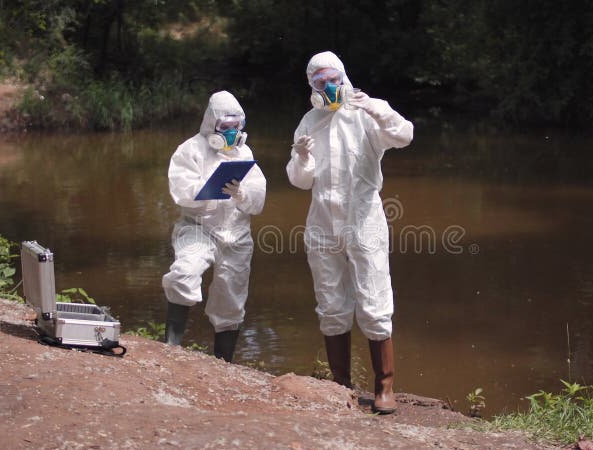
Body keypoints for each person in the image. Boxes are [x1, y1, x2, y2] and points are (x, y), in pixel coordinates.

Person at [286, 51, 414, 414]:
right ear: (311, 87)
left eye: (333, 79)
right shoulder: (309, 121)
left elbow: (404, 135)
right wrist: (301, 157)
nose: (328, 87)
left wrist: (378, 109)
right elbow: (299, 180)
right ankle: (340, 382)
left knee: (374, 297)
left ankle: (384, 386)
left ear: (345, 77)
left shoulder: (365, 113)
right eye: (319, 82)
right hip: (322, 219)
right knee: (330, 301)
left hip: (364, 216)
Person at [162, 91, 266, 363]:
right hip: (198, 228)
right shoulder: (191, 150)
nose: (231, 133)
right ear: (212, 125)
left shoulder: (244, 152)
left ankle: (223, 364)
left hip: (236, 234)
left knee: (231, 300)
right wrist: (208, 188)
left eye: (236, 127)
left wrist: (242, 194)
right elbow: (180, 190)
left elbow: (257, 199)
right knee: (184, 273)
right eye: (225, 128)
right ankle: (170, 350)